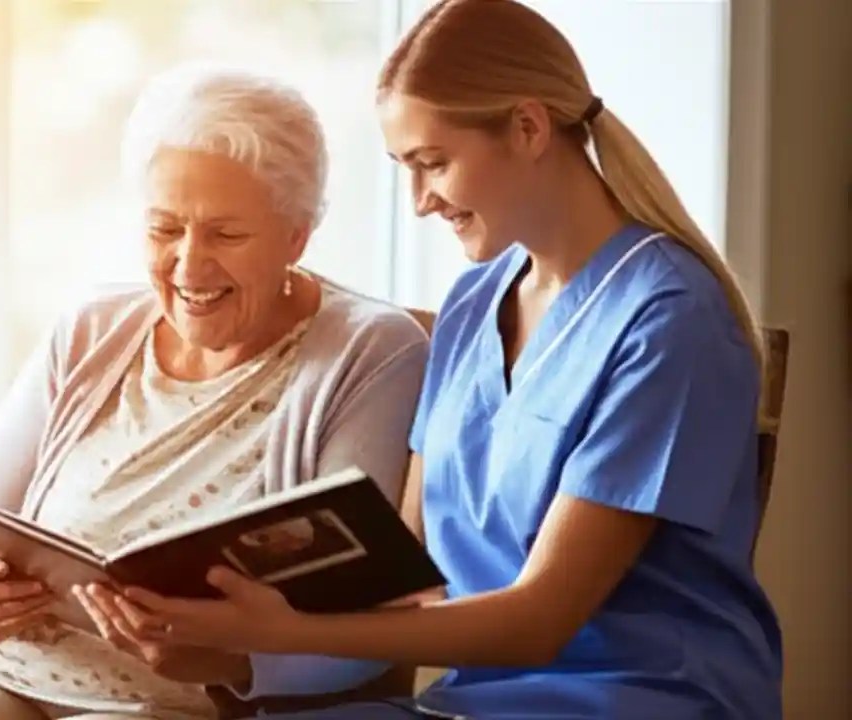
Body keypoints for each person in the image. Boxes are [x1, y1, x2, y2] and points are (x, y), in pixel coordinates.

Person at [77, 2, 784, 718]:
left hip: (642, 701)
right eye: (405, 170)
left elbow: (540, 622)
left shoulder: (669, 322)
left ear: (529, 128)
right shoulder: (477, 303)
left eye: (433, 163)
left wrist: (274, 627)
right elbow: (399, 570)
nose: (418, 202)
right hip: (472, 706)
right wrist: (225, 640)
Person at [0, 64, 430, 720]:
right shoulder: (91, 330)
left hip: (180, 704)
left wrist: (231, 661)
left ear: (295, 235)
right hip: (8, 673)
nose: (189, 265)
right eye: (165, 229)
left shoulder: (368, 351)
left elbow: (365, 618)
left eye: (226, 233)